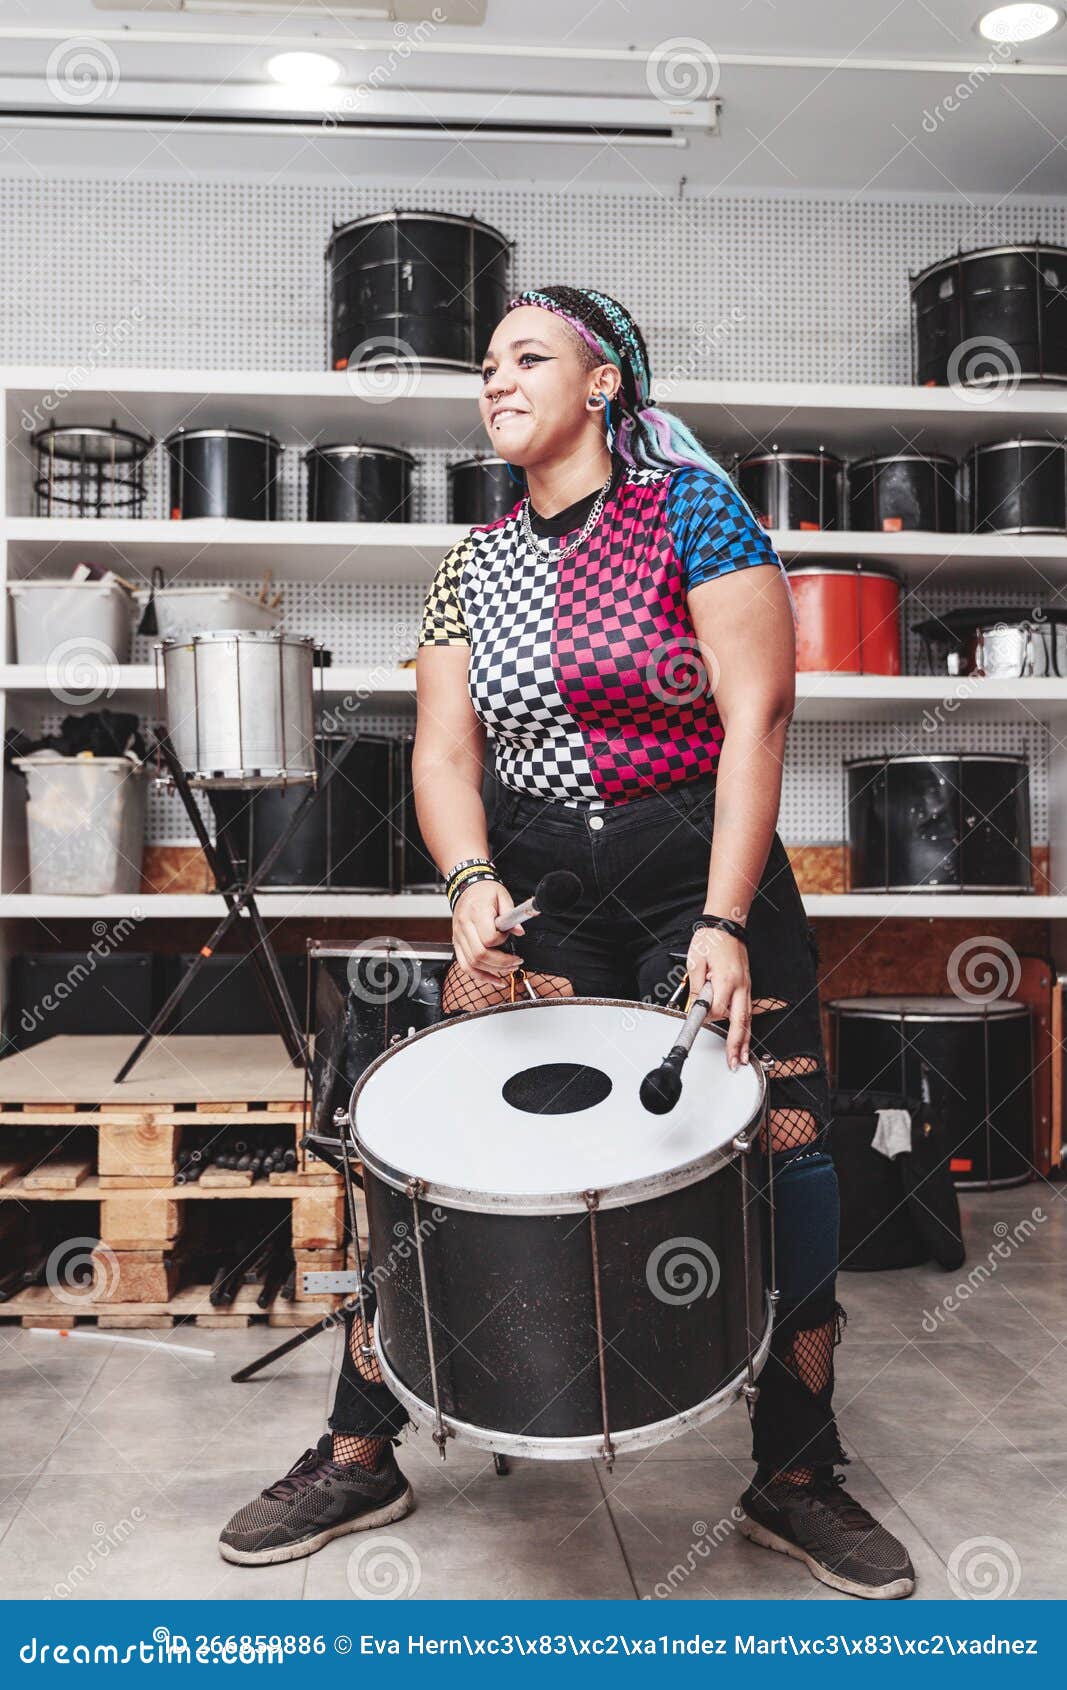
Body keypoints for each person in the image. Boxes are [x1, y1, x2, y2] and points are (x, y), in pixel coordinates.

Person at [219, 284, 915, 1601]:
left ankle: (798, 1468)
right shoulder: (466, 565)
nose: (495, 380)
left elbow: (759, 712)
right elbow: (442, 753)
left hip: (695, 860)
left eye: (527, 357)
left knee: (789, 1145)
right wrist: (470, 878)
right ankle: (365, 1442)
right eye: (485, 365)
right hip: (544, 882)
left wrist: (722, 917)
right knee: (445, 1137)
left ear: (603, 386)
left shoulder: (692, 511)